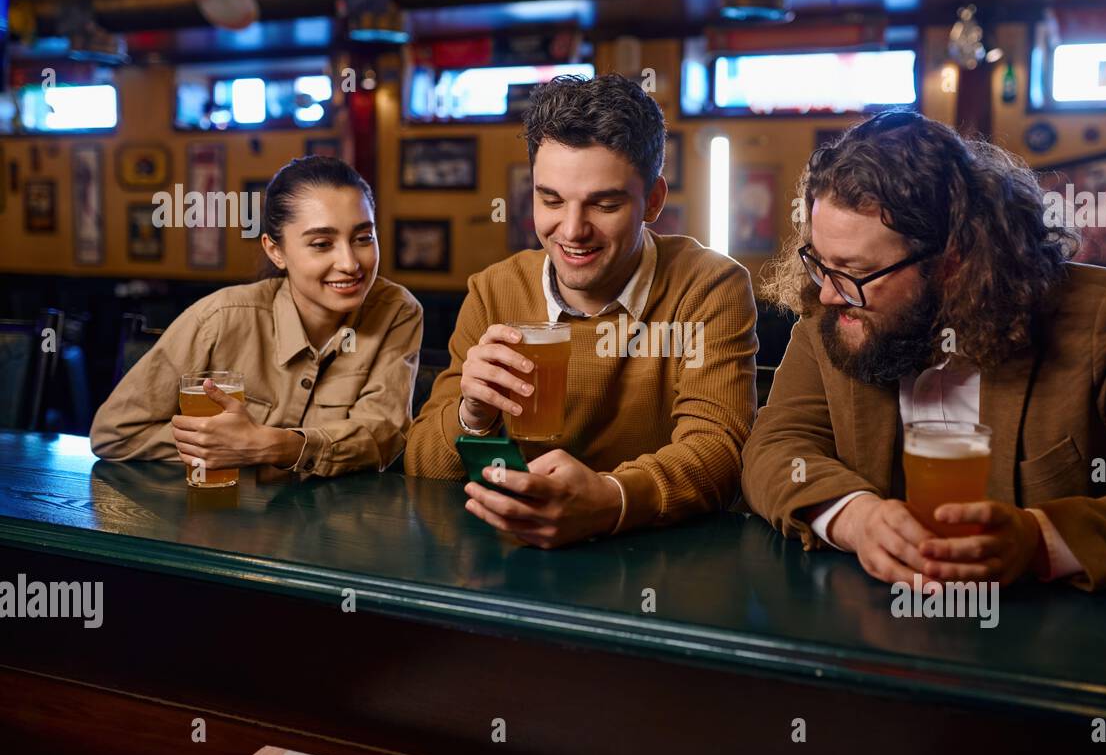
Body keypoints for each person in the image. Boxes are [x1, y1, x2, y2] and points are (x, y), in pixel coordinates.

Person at [741, 110, 1106, 590]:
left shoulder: (1104, 325)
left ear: (954, 260)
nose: (825, 291)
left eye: (858, 272)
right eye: (820, 262)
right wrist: (853, 517)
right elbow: (776, 448)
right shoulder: (837, 312)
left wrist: (1039, 541)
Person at [404, 74, 757, 547]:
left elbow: (719, 455)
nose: (571, 230)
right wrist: (471, 415)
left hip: (659, 562)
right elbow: (421, 466)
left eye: (604, 204)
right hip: (514, 566)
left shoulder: (709, 287)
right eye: (550, 200)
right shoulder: (494, 291)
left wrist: (610, 499)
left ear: (652, 201)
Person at [91, 155, 423, 476]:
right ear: (275, 251)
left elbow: (382, 438)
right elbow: (114, 433)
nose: (350, 263)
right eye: (322, 244)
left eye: (364, 238)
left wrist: (273, 446)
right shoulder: (220, 319)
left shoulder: (396, 311)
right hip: (219, 521)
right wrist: (218, 447)